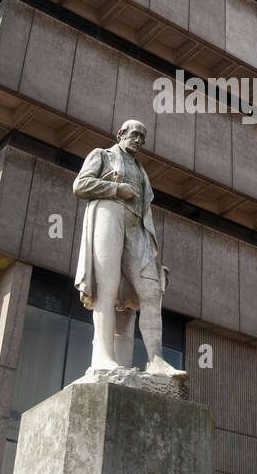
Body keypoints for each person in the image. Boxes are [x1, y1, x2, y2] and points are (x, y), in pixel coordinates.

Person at [73, 119, 184, 376]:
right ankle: (103, 356)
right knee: (106, 288)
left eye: (142, 138)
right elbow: (80, 185)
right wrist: (116, 189)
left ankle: (156, 361)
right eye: (134, 135)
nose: (138, 141)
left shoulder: (140, 170)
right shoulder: (102, 155)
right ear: (121, 134)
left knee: (151, 291)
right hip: (109, 214)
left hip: (136, 228)